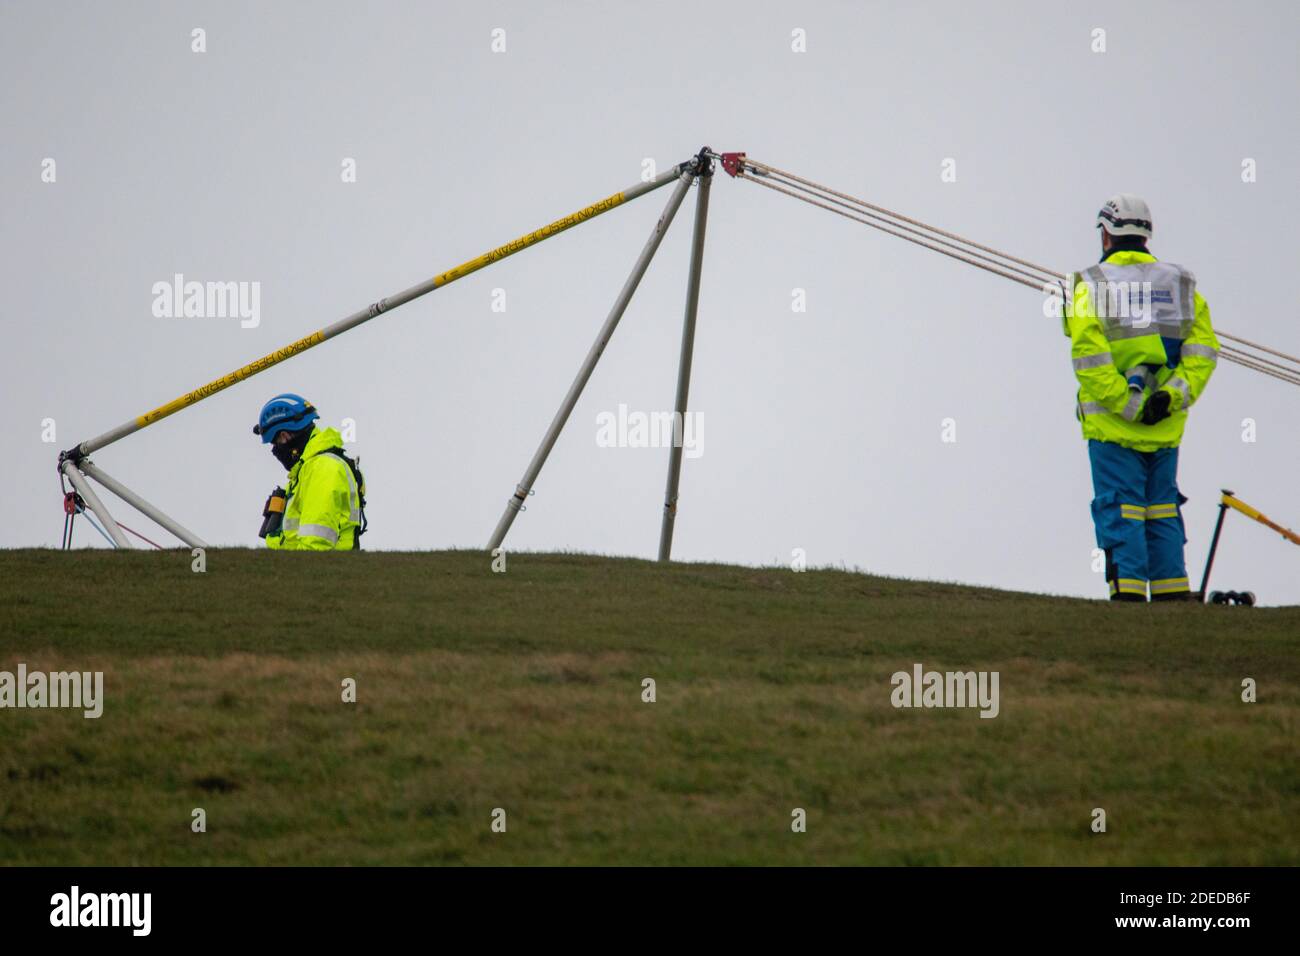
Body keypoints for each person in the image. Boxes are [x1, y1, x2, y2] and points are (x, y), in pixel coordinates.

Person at [1065, 194, 1218, 601]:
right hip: (1165, 428)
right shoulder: (1181, 285)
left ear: (1106, 235)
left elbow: (1089, 358)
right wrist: (1168, 398)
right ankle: (1172, 597)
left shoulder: (1092, 284)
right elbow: (1202, 353)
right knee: (1162, 510)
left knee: (1123, 510)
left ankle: (1128, 598)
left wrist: (1130, 405)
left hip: (1114, 428)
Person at [253, 393, 366, 550]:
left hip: (323, 572)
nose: (276, 450)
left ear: (284, 436)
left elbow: (315, 546)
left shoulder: (323, 469)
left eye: (275, 443)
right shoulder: (307, 470)